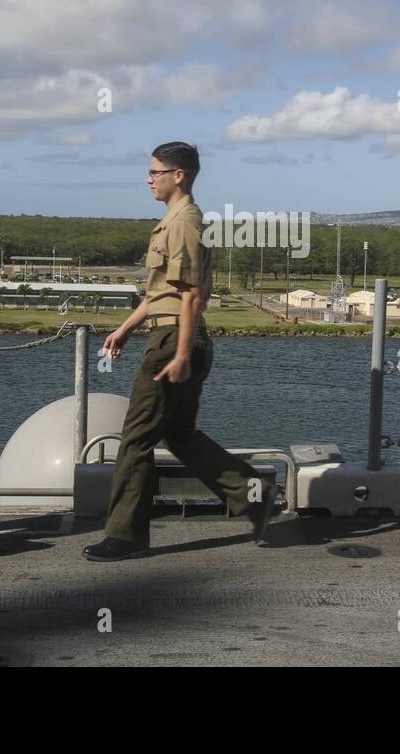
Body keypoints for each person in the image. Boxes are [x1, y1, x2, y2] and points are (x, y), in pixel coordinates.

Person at [83, 143, 276, 561]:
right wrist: (124, 329)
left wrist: (182, 353)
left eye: (155, 172)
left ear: (179, 175)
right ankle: (254, 496)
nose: (148, 179)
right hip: (173, 336)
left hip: (175, 341)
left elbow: (190, 297)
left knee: (135, 439)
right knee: (180, 435)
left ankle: (124, 536)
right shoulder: (173, 221)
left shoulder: (184, 223)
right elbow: (161, 294)